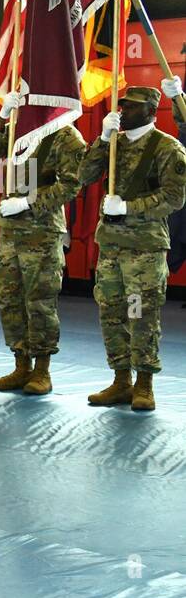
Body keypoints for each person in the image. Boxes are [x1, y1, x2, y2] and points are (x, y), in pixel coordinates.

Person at [76, 84, 186, 411]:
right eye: (123, 106)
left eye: (133, 107)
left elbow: (174, 198)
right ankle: (121, 380)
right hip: (111, 247)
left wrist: (128, 207)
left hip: (144, 250)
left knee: (140, 314)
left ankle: (144, 384)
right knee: (111, 313)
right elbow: (84, 174)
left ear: (151, 111)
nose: (124, 111)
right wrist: (103, 140)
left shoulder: (168, 149)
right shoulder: (116, 144)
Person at [0, 91, 86, 395]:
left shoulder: (65, 135)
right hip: (12, 230)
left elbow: (73, 182)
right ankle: (20, 365)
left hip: (42, 229)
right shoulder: (17, 130)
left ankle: (42, 371)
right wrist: (2, 117)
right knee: (10, 298)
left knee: (39, 301)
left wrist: (29, 201)